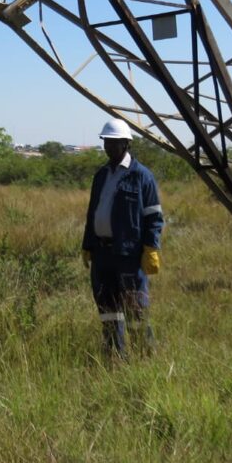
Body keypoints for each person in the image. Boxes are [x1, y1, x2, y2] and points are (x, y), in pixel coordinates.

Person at [81, 118, 164, 357]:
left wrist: (151, 248)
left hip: (128, 254)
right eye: (106, 141)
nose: (109, 146)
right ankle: (115, 357)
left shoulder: (142, 176)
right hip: (102, 253)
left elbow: (154, 216)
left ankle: (144, 358)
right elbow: (93, 213)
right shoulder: (101, 175)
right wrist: (87, 246)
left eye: (114, 142)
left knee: (135, 309)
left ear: (126, 143)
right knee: (108, 310)